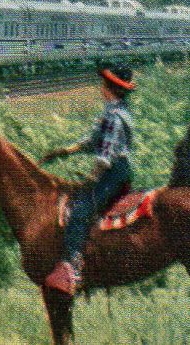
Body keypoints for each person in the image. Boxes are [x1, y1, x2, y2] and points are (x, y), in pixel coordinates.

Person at [40, 62, 136, 295]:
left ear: (109, 88)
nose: (100, 88)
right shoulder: (114, 111)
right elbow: (93, 140)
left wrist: (91, 179)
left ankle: (72, 267)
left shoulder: (114, 118)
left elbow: (104, 157)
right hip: (117, 169)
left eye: (103, 85)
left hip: (114, 171)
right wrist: (66, 151)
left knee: (81, 210)